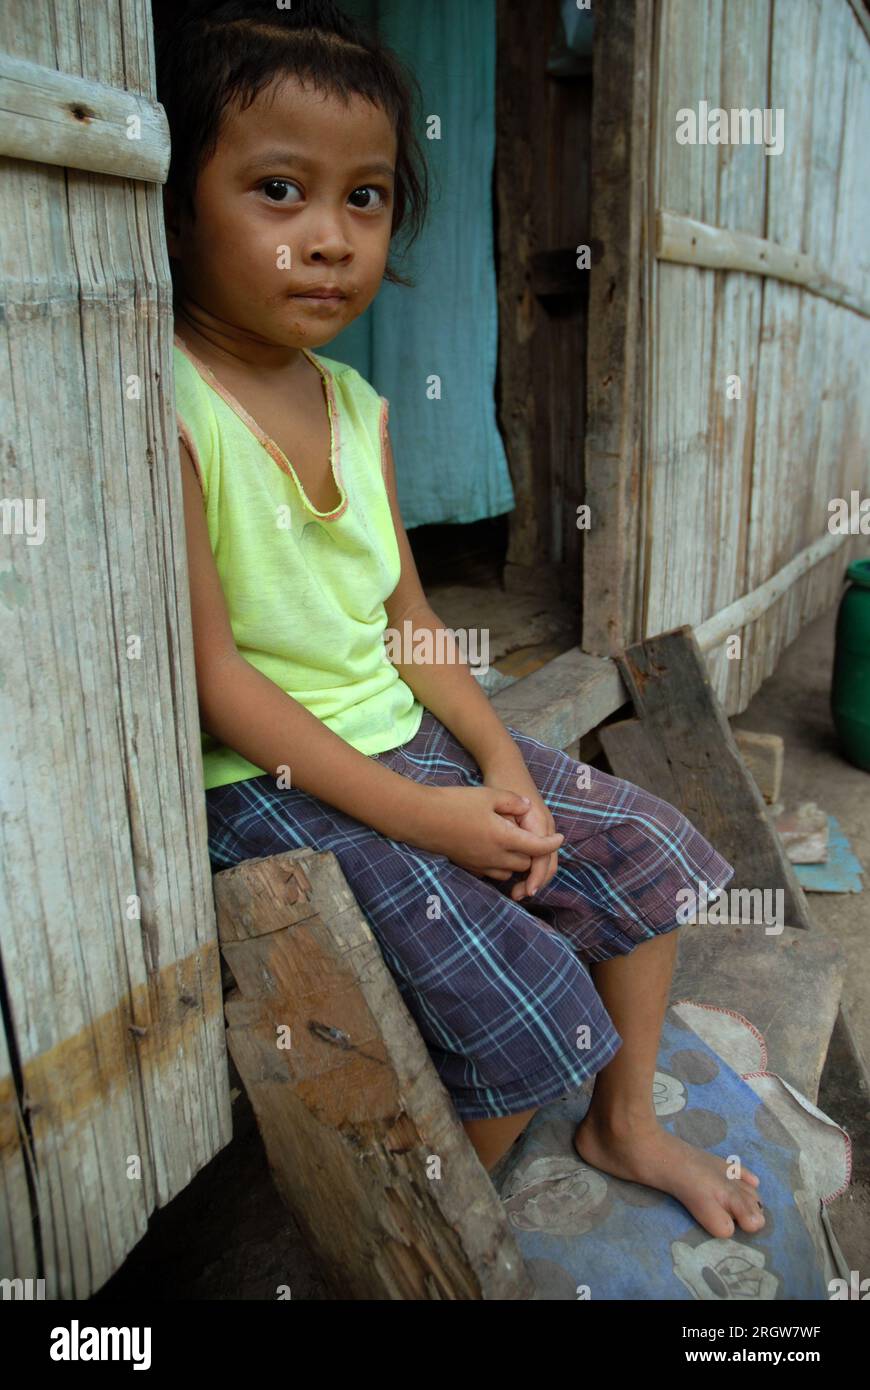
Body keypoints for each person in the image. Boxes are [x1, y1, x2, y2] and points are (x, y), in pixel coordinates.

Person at [158, 0, 764, 1240]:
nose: (329, 239)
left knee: (644, 848)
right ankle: (431, 1236)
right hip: (268, 781)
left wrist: (495, 766)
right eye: (279, 189)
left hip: (403, 742)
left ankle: (625, 1121)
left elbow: (412, 621)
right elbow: (217, 678)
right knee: (532, 1002)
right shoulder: (171, 403)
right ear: (178, 202)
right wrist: (427, 817)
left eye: (365, 199)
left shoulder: (359, 406)